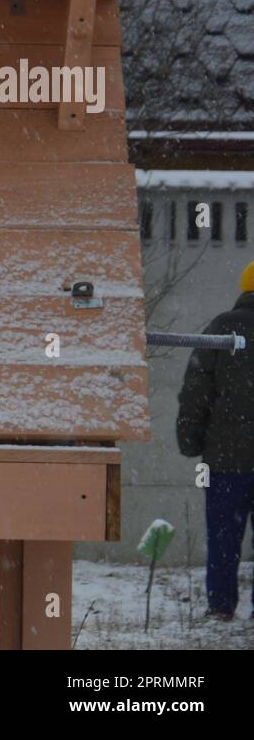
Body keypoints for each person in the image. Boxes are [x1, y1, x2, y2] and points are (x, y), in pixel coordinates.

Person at [176, 261, 254, 621]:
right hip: (228, 456)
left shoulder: (222, 328)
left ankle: (221, 606)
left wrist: (190, 440)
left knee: (223, 538)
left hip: (225, 459)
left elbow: (196, 390)